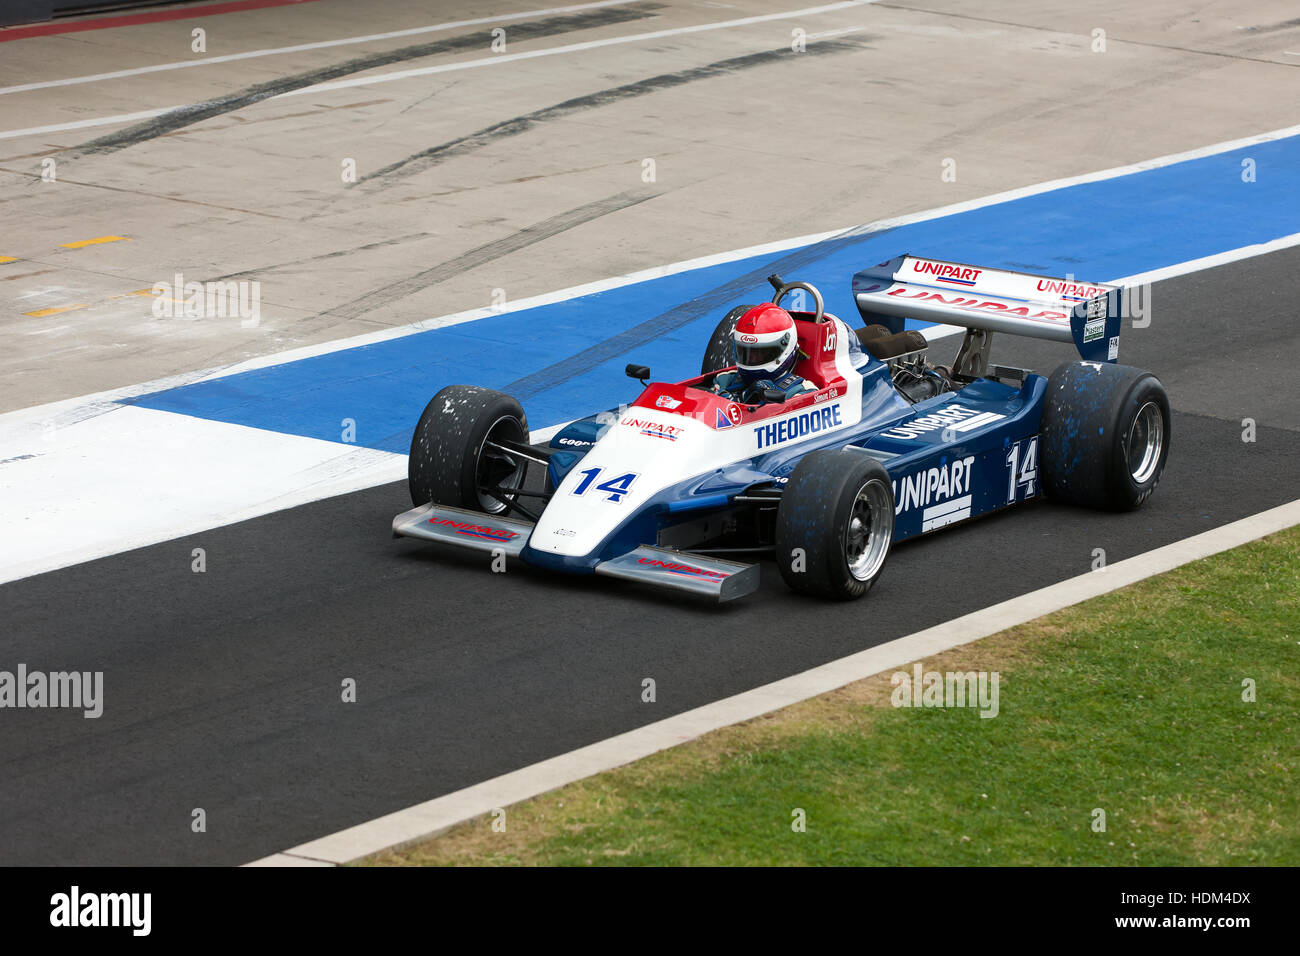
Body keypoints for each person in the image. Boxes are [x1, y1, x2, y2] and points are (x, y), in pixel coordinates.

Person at [712, 302, 816, 404]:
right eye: (744, 351)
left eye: (760, 353)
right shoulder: (724, 380)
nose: (751, 358)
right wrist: (739, 397)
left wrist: (760, 401)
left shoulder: (803, 392)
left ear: (784, 350)